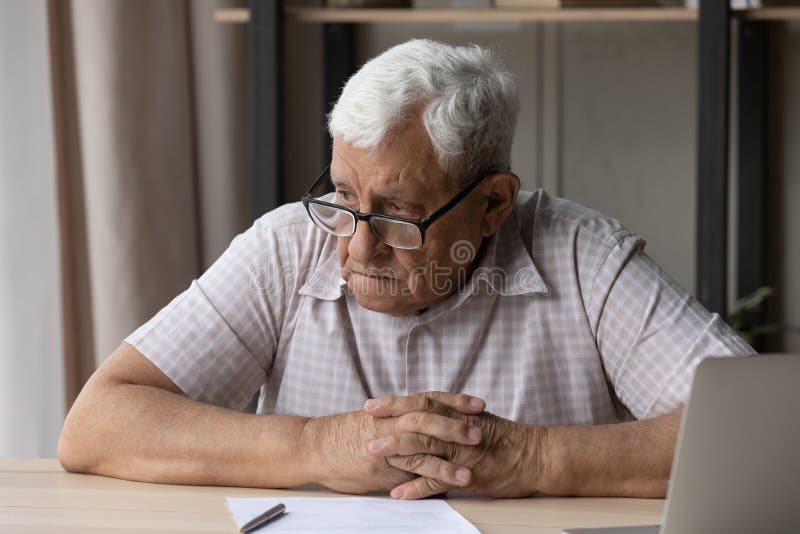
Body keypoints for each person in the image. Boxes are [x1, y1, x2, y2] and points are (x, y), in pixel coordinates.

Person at [58, 39, 754, 500]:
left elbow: (762, 436)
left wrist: (535, 458)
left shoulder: (581, 255)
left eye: (397, 213)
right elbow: (99, 423)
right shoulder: (286, 247)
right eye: (344, 196)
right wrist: (315, 445)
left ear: (492, 203)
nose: (359, 248)